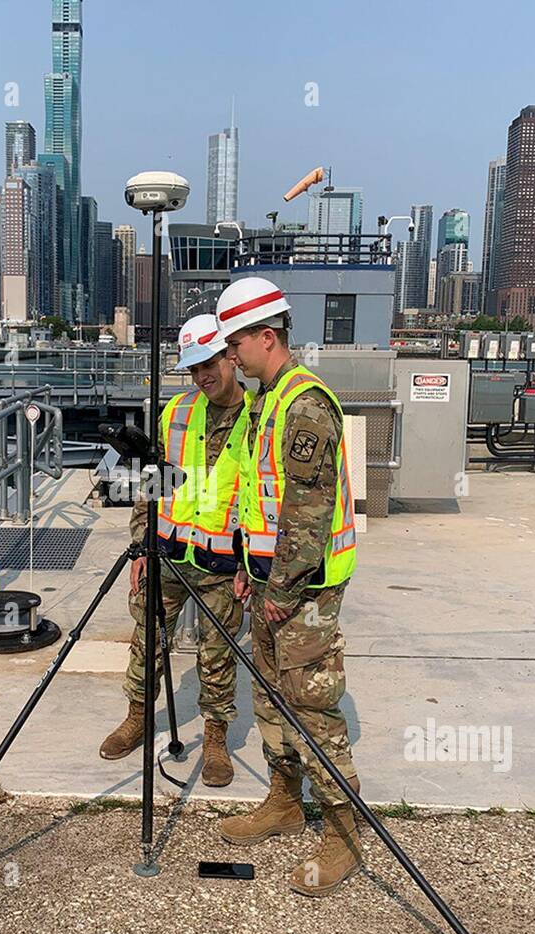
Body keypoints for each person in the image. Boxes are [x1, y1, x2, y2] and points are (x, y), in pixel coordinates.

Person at [212, 276, 363, 897]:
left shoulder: (303, 404)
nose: (228, 357)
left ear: (265, 337)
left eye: (234, 344)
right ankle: (284, 800)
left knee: (311, 705)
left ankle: (344, 834)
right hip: (272, 582)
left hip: (303, 589)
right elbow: (261, 499)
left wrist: (278, 588)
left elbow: (307, 512)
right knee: (273, 698)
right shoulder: (265, 400)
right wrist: (252, 573)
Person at [99, 313, 250, 787]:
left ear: (231, 357)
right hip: (168, 551)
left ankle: (215, 737)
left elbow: (264, 492)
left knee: (218, 651)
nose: (202, 376)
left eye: (209, 363)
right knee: (147, 636)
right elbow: (152, 483)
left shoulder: (258, 417)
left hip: (225, 561)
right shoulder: (177, 413)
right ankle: (139, 717)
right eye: (192, 369)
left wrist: (255, 563)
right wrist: (141, 543)